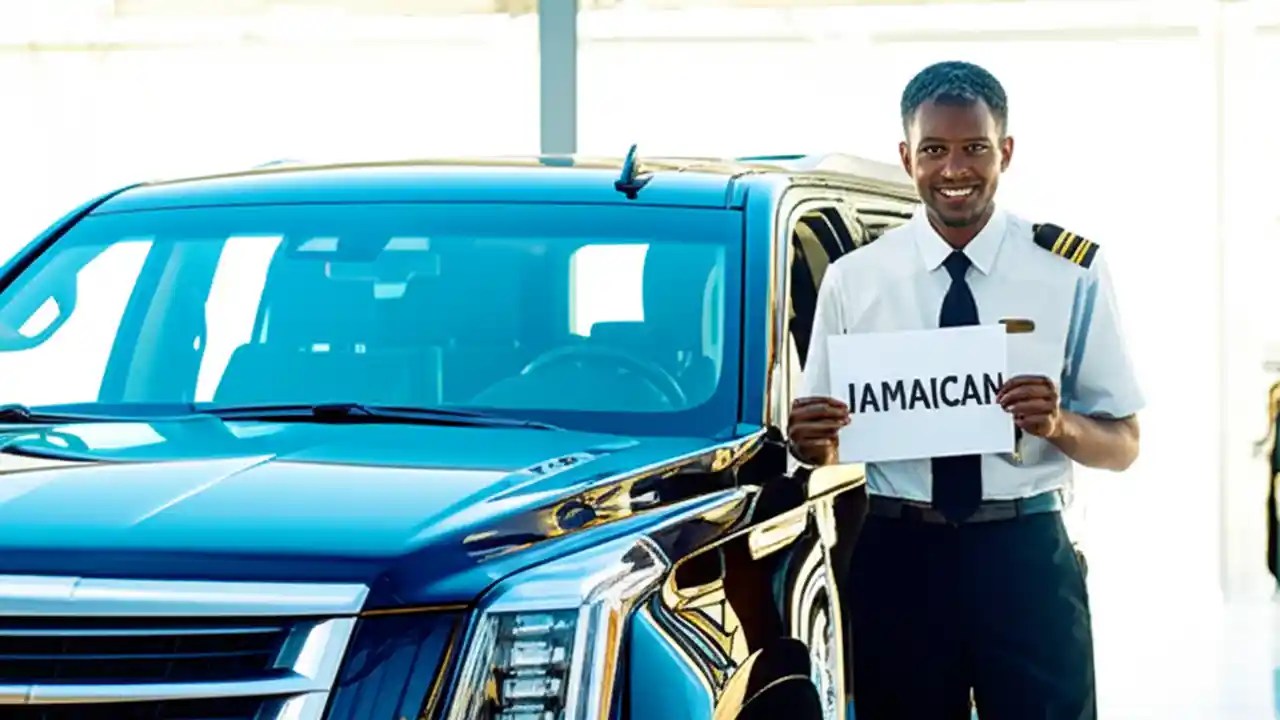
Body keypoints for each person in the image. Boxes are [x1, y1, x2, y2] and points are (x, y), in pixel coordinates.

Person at [789, 60, 1143, 720]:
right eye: (935, 150)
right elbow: (826, 448)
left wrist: (1059, 425)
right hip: (901, 557)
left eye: (974, 148)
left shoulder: (1068, 271)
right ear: (906, 157)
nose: (955, 170)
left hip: (1025, 558)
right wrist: (811, 442)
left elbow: (1123, 446)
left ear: (1005, 151)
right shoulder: (854, 280)